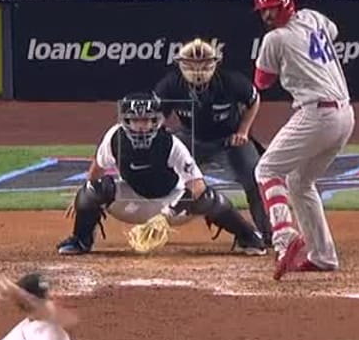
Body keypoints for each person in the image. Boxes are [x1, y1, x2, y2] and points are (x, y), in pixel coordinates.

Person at [57, 94, 266, 256]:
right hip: (132, 204)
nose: (142, 126)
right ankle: (81, 240)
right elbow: (98, 166)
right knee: (93, 188)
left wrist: (168, 213)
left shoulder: (170, 143)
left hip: (170, 206)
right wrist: (83, 199)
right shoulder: (114, 138)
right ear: (126, 121)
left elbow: (198, 184)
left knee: (208, 197)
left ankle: (248, 237)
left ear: (157, 120)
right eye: (136, 120)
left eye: (147, 120)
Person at [250, 0, 355, 280]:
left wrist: (282, 55)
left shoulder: (275, 39)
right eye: (263, 12)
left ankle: (284, 238)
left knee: (266, 169)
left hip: (317, 114)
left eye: (270, 11)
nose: (267, 17)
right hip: (345, 115)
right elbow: (332, 33)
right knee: (299, 182)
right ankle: (322, 256)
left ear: (282, 6)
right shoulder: (313, 17)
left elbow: (262, 82)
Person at [153, 39, 273, 247]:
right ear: (181, 64)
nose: (198, 70)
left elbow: (254, 100)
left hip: (229, 139)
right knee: (157, 168)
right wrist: (159, 136)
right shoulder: (171, 84)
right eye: (191, 65)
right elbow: (157, 115)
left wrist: (243, 131)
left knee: (255, 178)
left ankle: (268, 234)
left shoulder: (231, 82)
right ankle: (153, 226)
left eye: (204, 64)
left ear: (215, 64)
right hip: (190, 138)